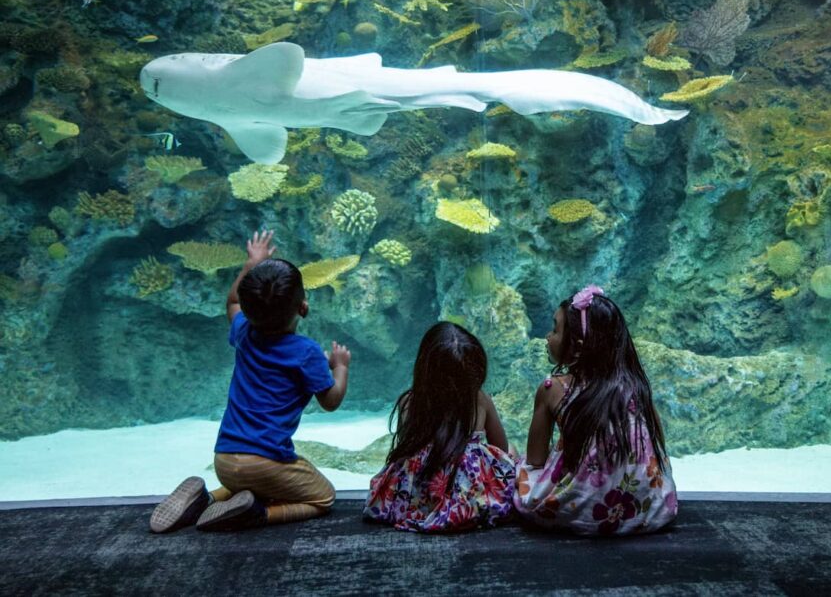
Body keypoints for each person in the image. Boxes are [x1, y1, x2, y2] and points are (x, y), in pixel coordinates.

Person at [149, 229, 350, 533]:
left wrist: (251, 264)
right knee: (324, 497)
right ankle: (256, 514)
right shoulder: (307, 353)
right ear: (303, 308)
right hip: (265, 463)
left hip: (225, 461)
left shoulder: (244, 332)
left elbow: (232, 303)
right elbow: (331, 401)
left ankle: (204, 499)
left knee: (250, 480)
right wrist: (340, 367)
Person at [514, 285, 677, 535]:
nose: (548, 336)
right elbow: (659, 451)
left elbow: (535, 459)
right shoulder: (636, 385)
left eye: (555, 330)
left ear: (577, 345)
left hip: (577, 512)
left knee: (521, 469)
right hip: (649, 512)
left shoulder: (552, 388)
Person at [364, 321, 516, 532]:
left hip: (416, 500)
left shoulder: (409, 402)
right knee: (513, 454)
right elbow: (501, 446)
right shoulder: (480, 399)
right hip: (467, 502)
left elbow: (407, 447)